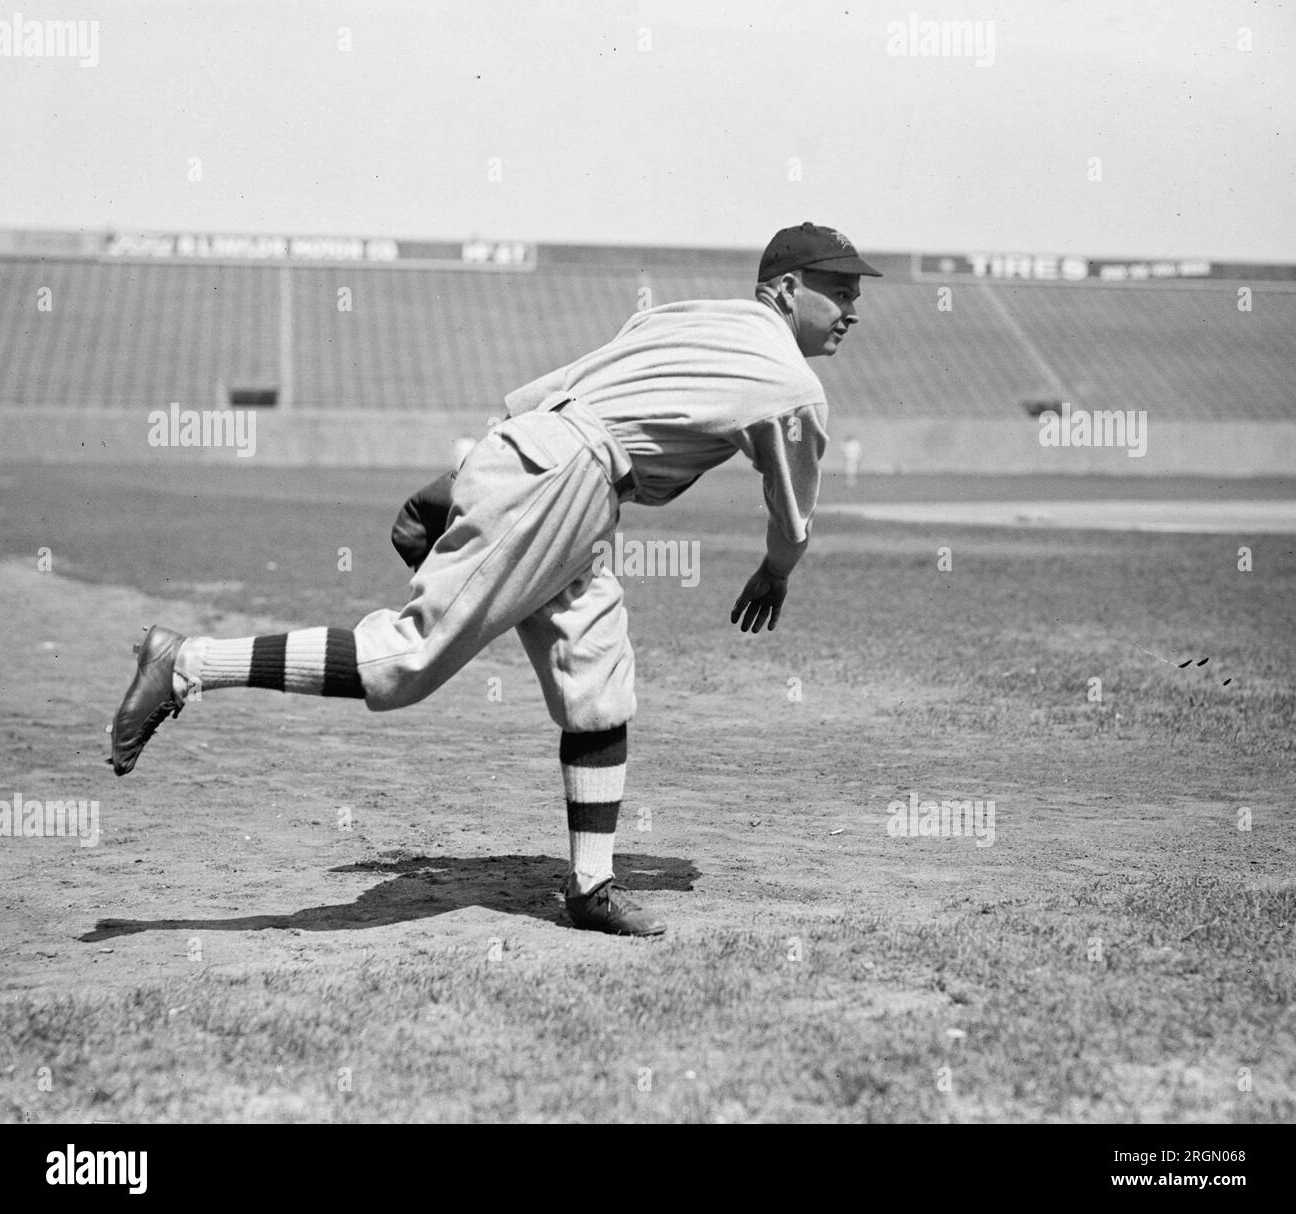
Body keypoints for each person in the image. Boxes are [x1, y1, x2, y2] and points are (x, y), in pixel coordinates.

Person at [109, 221, 881, 936]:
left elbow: (562, 389)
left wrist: (460, 475)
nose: (851, 309)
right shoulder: (790, 381)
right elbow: (790, 517)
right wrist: (777, 573)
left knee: (597, 683)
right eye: (838, 291)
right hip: (567, 480)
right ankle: (186, 662)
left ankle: (589, 887)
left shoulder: (683, 318)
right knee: (401, 663)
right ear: (785, 290)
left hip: (557, 474)